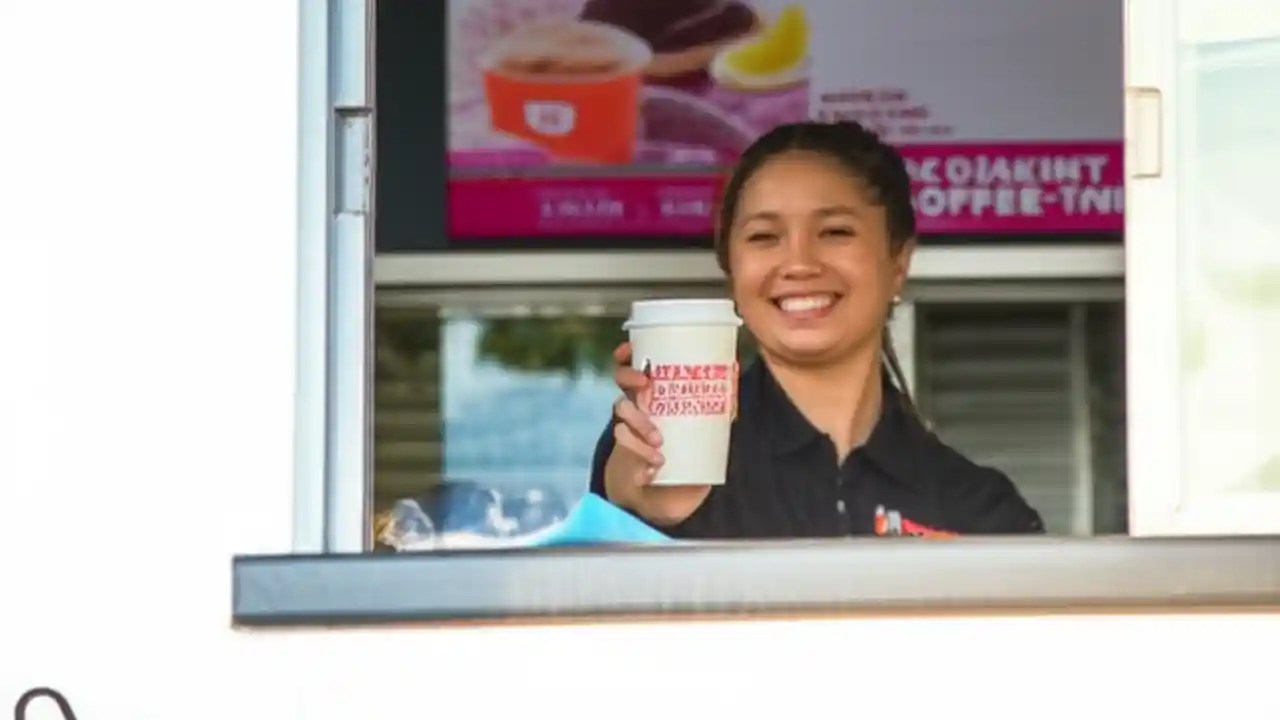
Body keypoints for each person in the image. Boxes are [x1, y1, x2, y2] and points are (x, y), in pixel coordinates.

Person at [589, 120, 1045, 538]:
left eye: (835, 232)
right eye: (764, 237)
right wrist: (642, 500)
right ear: (731, 267)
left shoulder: (979, 509)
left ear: (898, 262)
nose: (799, 264)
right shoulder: (657, 448)